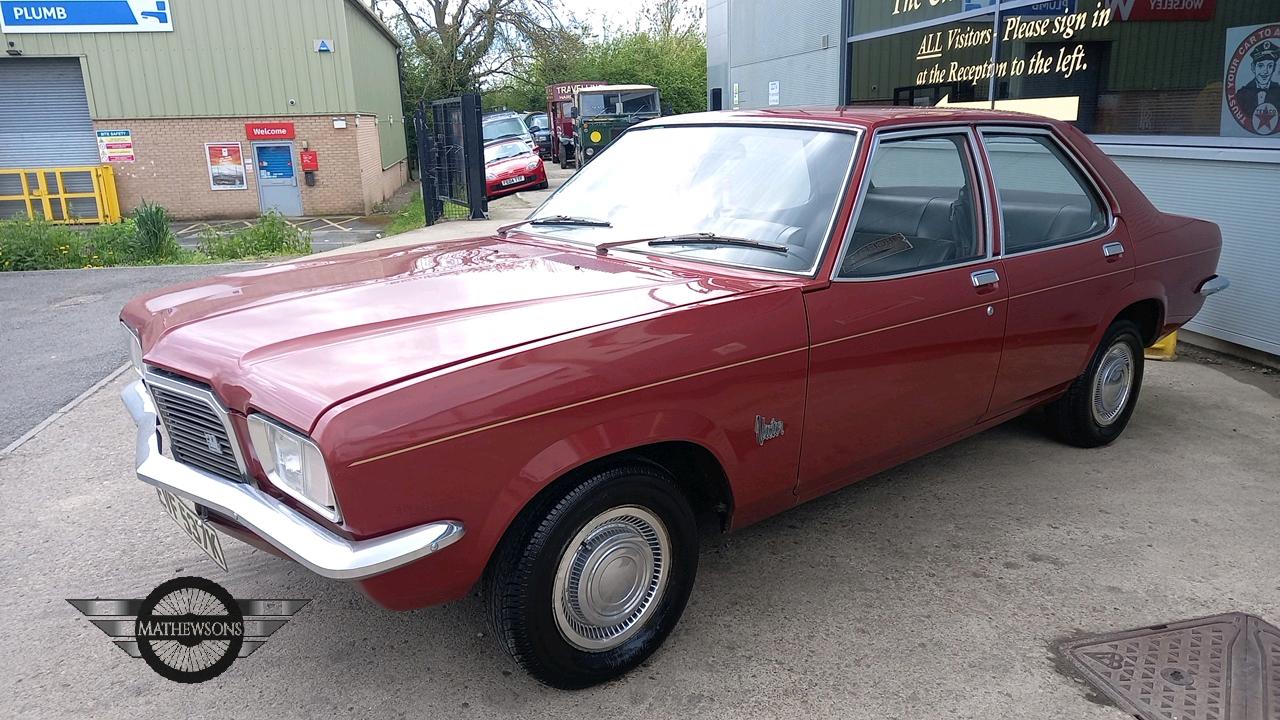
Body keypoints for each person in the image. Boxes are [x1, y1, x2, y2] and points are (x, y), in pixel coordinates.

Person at [1235, 39, 1280, 134]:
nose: (1266, 71)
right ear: (1253, 68)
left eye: (1270, 66)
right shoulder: (1241, 95)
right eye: (1260, 66)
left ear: (1274, 68)